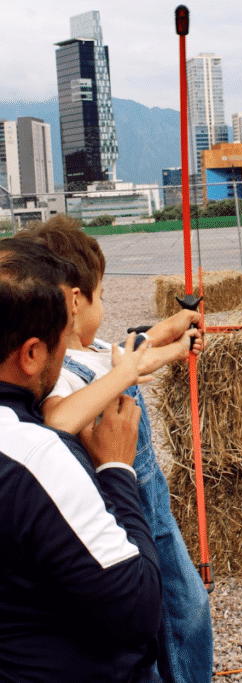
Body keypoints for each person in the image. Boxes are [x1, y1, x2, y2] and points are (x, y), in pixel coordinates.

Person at [12, 218, 214, 683]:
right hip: (127, 511)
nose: (102, 306)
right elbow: (59, 420)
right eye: (100, 295)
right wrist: (126, 372)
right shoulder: (59, 370)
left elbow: (127, 360)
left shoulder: (88, 351)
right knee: (179, 612)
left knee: (183, 608)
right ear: (74, 300)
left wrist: (170, 339)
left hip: (152, 508)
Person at [0, 237, 162, 682]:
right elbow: (137, 609)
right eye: (59, 344)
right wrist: (117, 469)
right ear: (32, 354)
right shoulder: (36, 458)